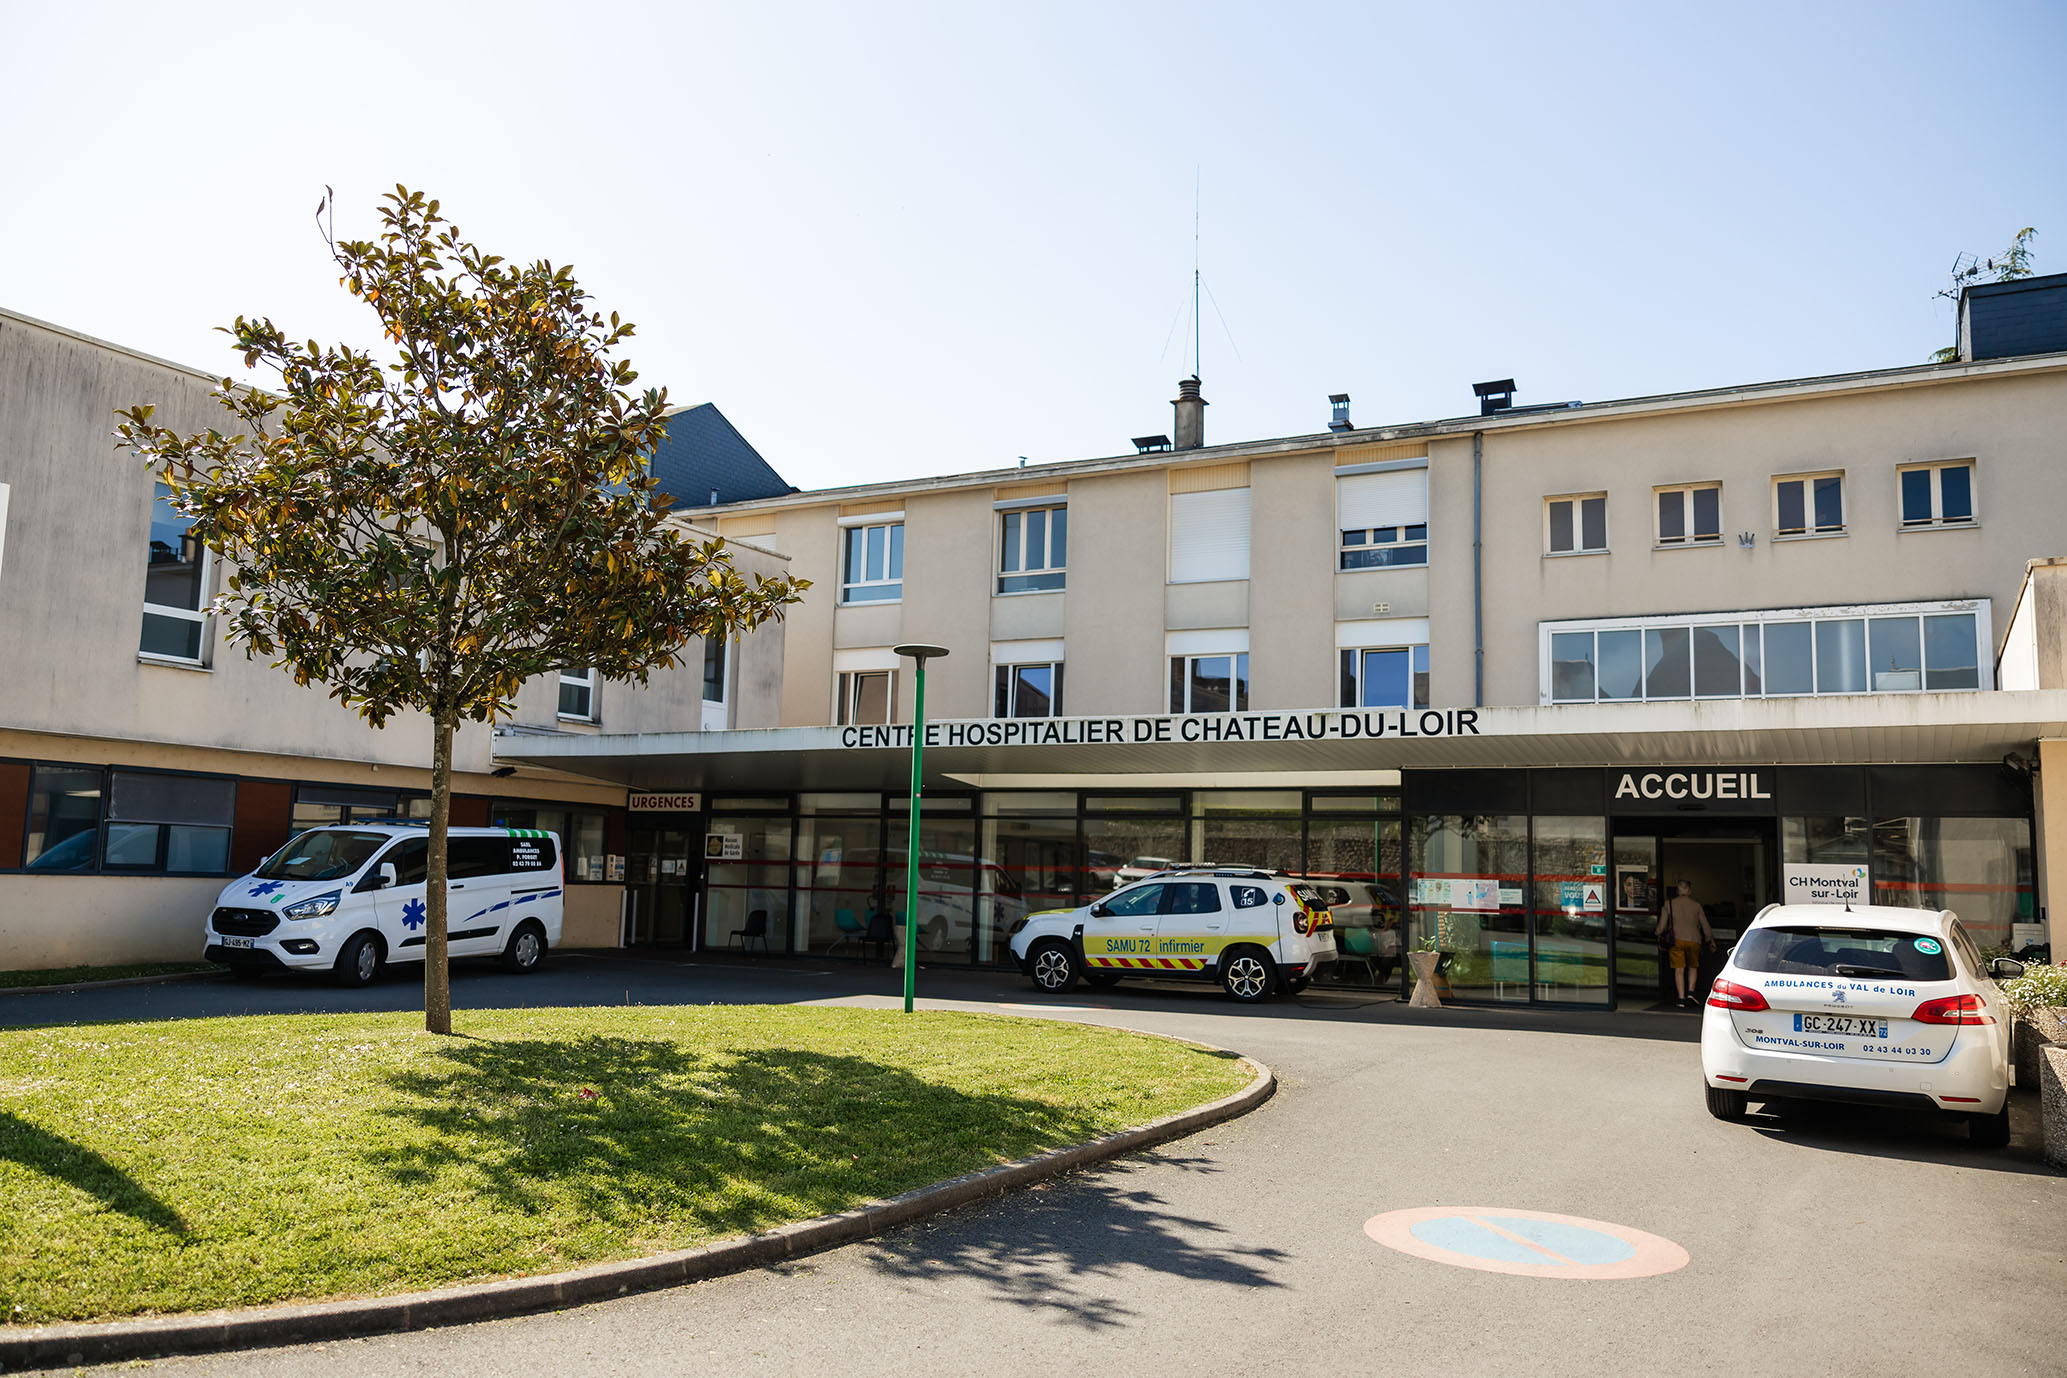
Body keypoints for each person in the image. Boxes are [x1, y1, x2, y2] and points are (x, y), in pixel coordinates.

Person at [1655, 879, 1715, 1008]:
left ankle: (1681, 998)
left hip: (1676, 940)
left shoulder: (1668, 904)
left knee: (1679, 970)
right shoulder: (1696, 905)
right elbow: (1704, 924)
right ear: (1689, 891)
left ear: (1677, 890)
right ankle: (1691, 992)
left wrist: (1658, 934)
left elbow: (1662, 925)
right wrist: (1710, 939)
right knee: (1693, 967)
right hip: (1694, 940)